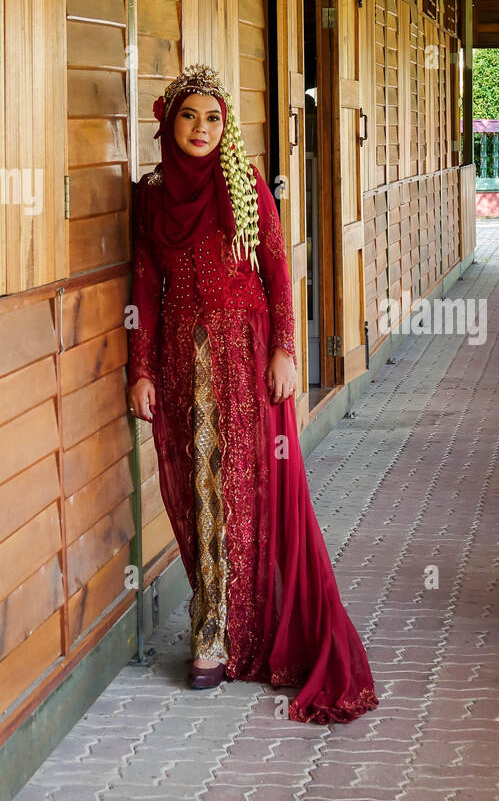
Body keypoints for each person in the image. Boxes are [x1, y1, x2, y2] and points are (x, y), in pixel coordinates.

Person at [126, 63, 378, 721]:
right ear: (168, 122)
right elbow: (143, 286)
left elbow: (277, 269)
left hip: (245, 357)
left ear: (225, 126)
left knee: (249, 491)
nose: (201, 128)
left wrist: (286, 351)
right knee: (199, 491)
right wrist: (140, 368)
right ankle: (214, 628)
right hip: (182, 359)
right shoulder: (150, 195)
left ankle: (242, 630)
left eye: (213, 117)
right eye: (189, 116)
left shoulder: (245, 185)